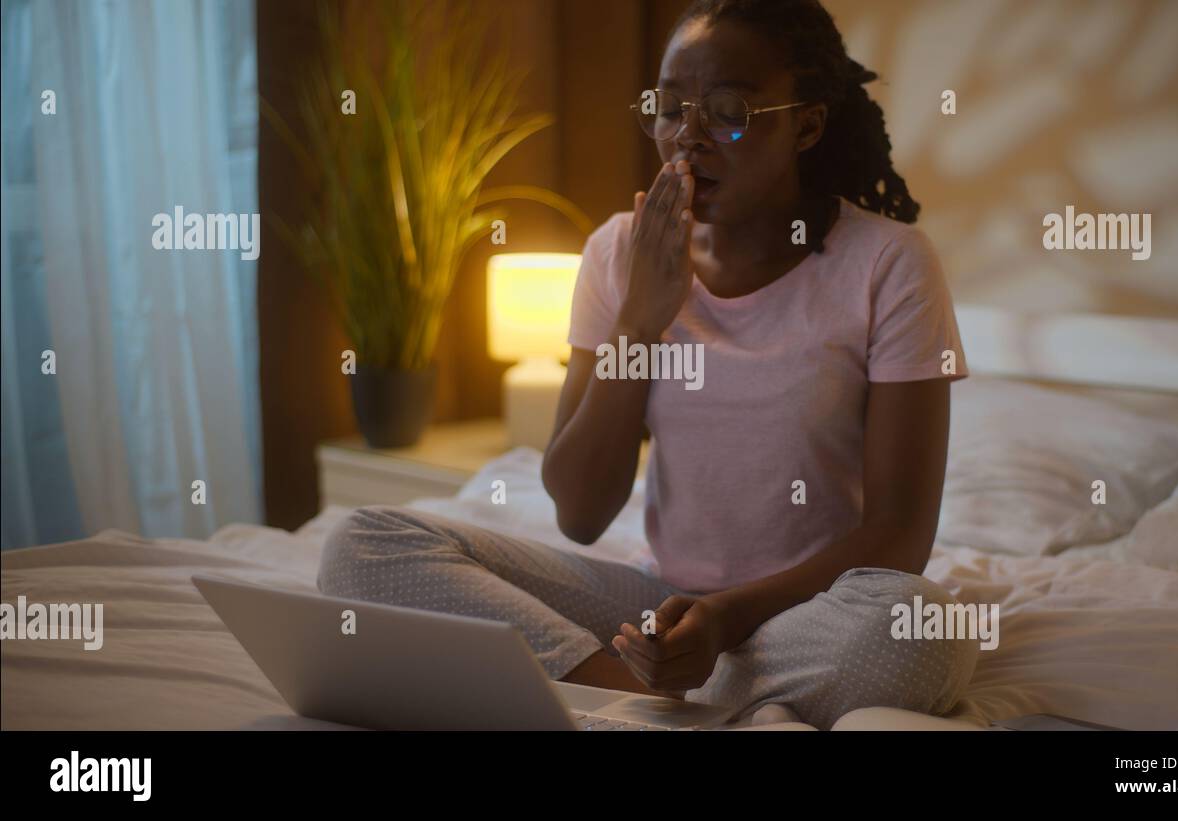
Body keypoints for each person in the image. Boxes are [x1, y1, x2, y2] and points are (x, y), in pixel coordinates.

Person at [319, 0, 978, 730]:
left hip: (814, 613)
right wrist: (640, 318)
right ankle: (643, 694)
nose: (686, 139)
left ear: (807, 123)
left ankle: (625, 697)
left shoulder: (888, 263)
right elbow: (579, 510)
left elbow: (901, 533)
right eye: (668, 109)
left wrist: (725, 619)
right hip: (652, 609)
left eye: (728, 109)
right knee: (363, 545)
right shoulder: (619, 253)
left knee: (922, 628)